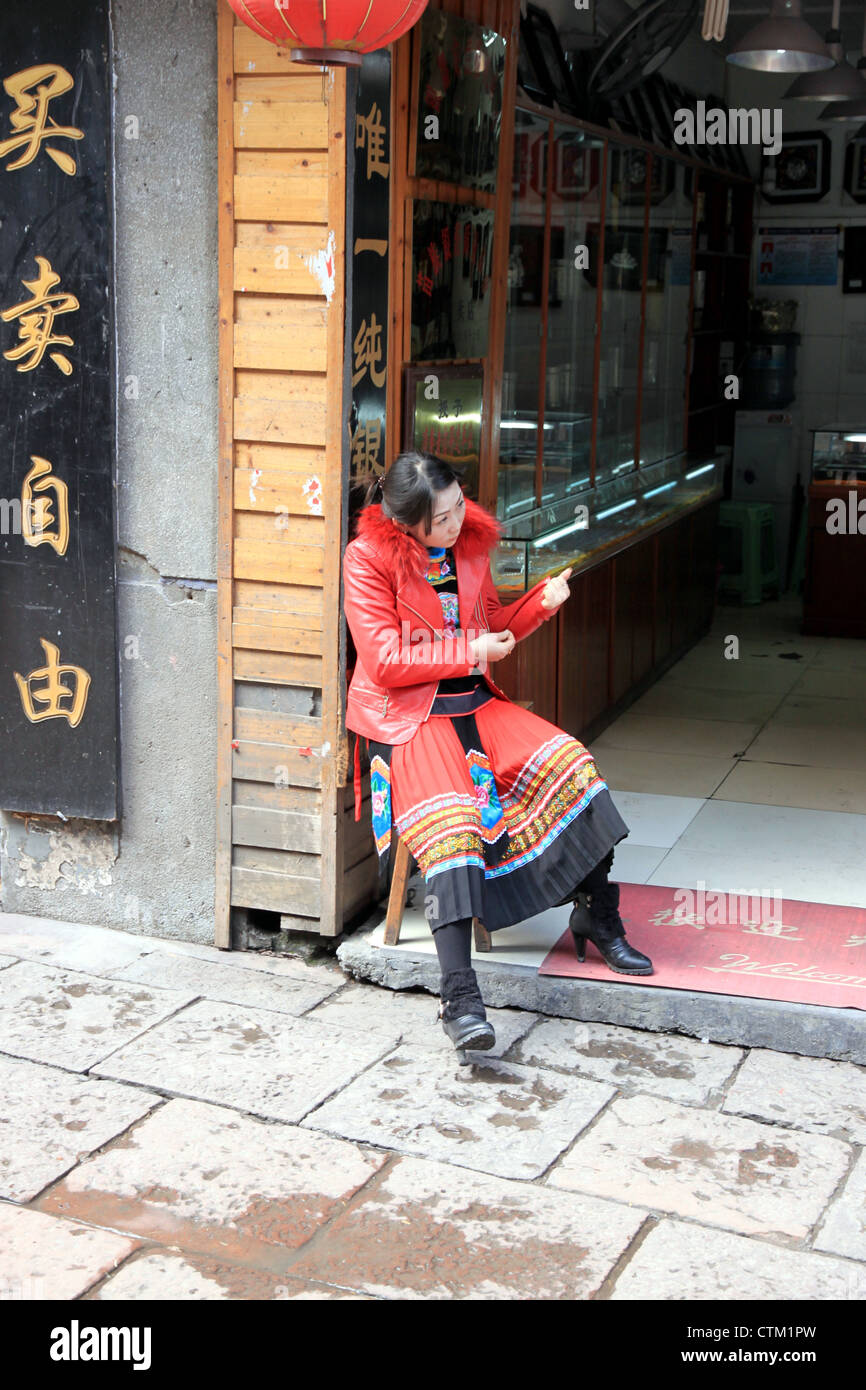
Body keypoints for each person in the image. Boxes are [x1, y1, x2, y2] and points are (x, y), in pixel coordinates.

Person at [342, 451, 652, 1055]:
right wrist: (471, 648)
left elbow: (491, 629)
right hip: (407, 715)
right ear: (407, 523)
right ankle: (460, 999)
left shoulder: (471, 546)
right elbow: (384, 662)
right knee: (452, 827)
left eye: (461, 504)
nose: (459, 521)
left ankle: (597, 915)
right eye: (444, 516)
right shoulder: (367, 560)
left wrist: (538, 605)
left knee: (572, 765)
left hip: (474, 701)